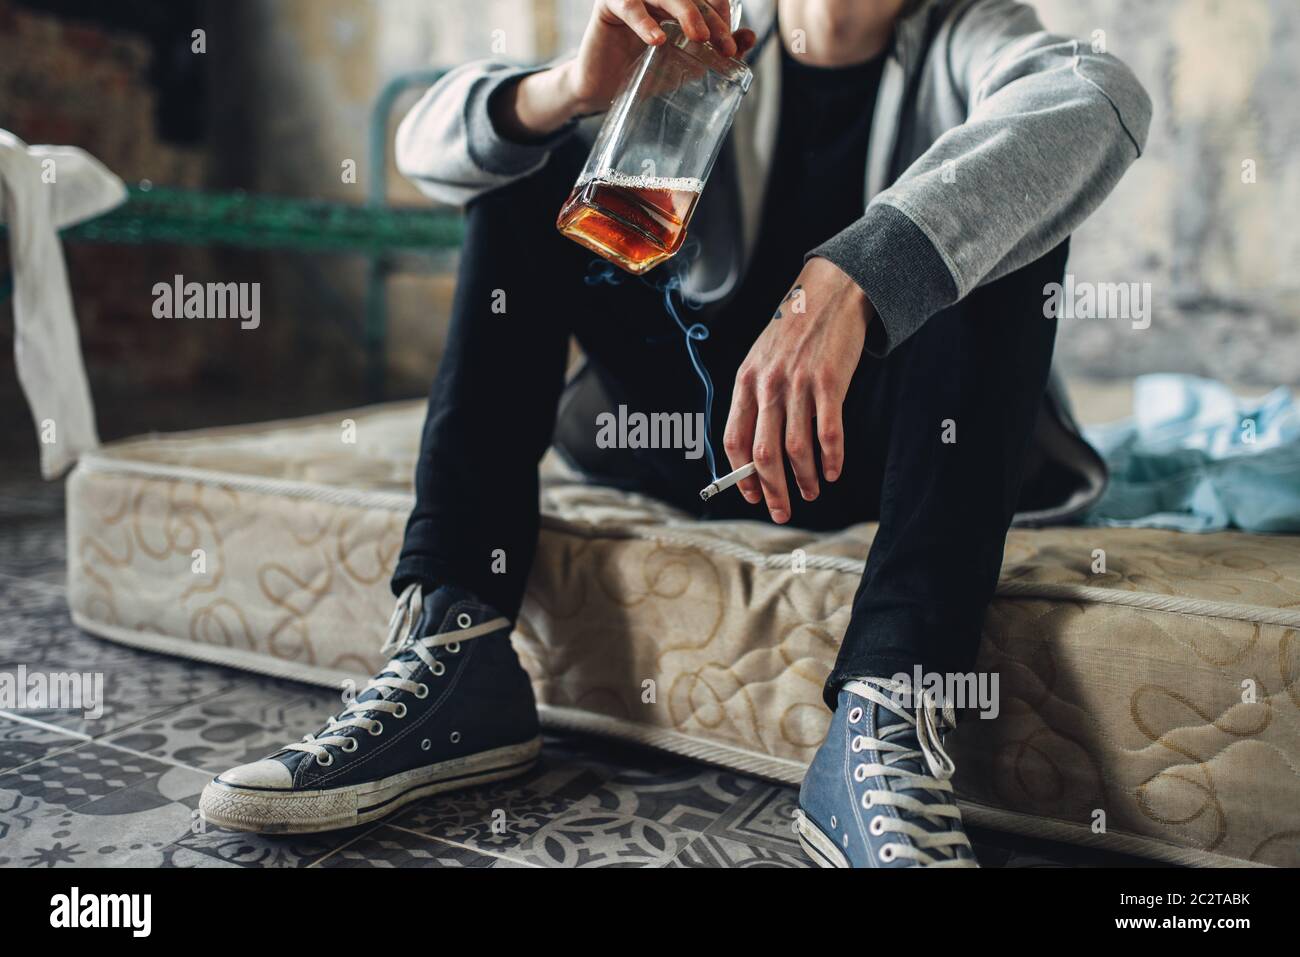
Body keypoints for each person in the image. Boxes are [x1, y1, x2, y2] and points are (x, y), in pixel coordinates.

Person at [200, 0, 1149, 868]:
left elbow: (1101, 92)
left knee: (999, 217)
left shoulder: (969, 33)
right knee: (525, 164)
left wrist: (861, 274)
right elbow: (426, 146)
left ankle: (887, 712)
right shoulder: (707, 35)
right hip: (682, 435)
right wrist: (571, 92)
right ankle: (457, 646)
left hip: (885, 452)